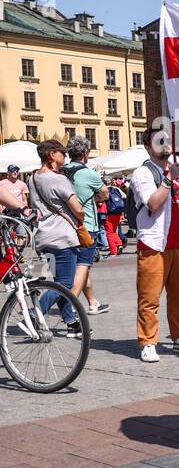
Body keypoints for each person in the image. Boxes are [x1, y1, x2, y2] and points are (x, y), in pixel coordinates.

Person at [132, 127, 179, 363]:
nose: (165, 144)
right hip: (154, 243)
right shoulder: (143, 174)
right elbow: (153, 204)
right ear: (148, 147)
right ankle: (148, 342)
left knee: (178, 298)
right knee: (149, 297)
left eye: (167, 141)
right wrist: (168, 180)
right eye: (159, 141)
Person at [29, 140, 86, 339]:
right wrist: (81, 218)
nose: (66, 156)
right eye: (63, 153)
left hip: (43, 236)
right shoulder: (58, 179)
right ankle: (35, 314)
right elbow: (77, 208)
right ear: (52, 154)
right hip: (61, 236)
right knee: (65, 284)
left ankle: (71, 322)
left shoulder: (33, 177)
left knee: (59, 281)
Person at [64, 135, 110, 315]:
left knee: (81, 267)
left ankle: (92, 302)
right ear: (85, 153)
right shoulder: (88, 173)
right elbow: (104, 194)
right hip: (86, 226)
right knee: (83, 265)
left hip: (66, 225)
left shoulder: (61, 171)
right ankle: (69, 307)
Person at [104, 176, 126, 255]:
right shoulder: (116, 189)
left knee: (109, 232)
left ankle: (113, 251)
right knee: (113, 231)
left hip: (109, 213)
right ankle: (119, 244)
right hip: (118, 212)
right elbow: (124, 196)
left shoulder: (104, 189)